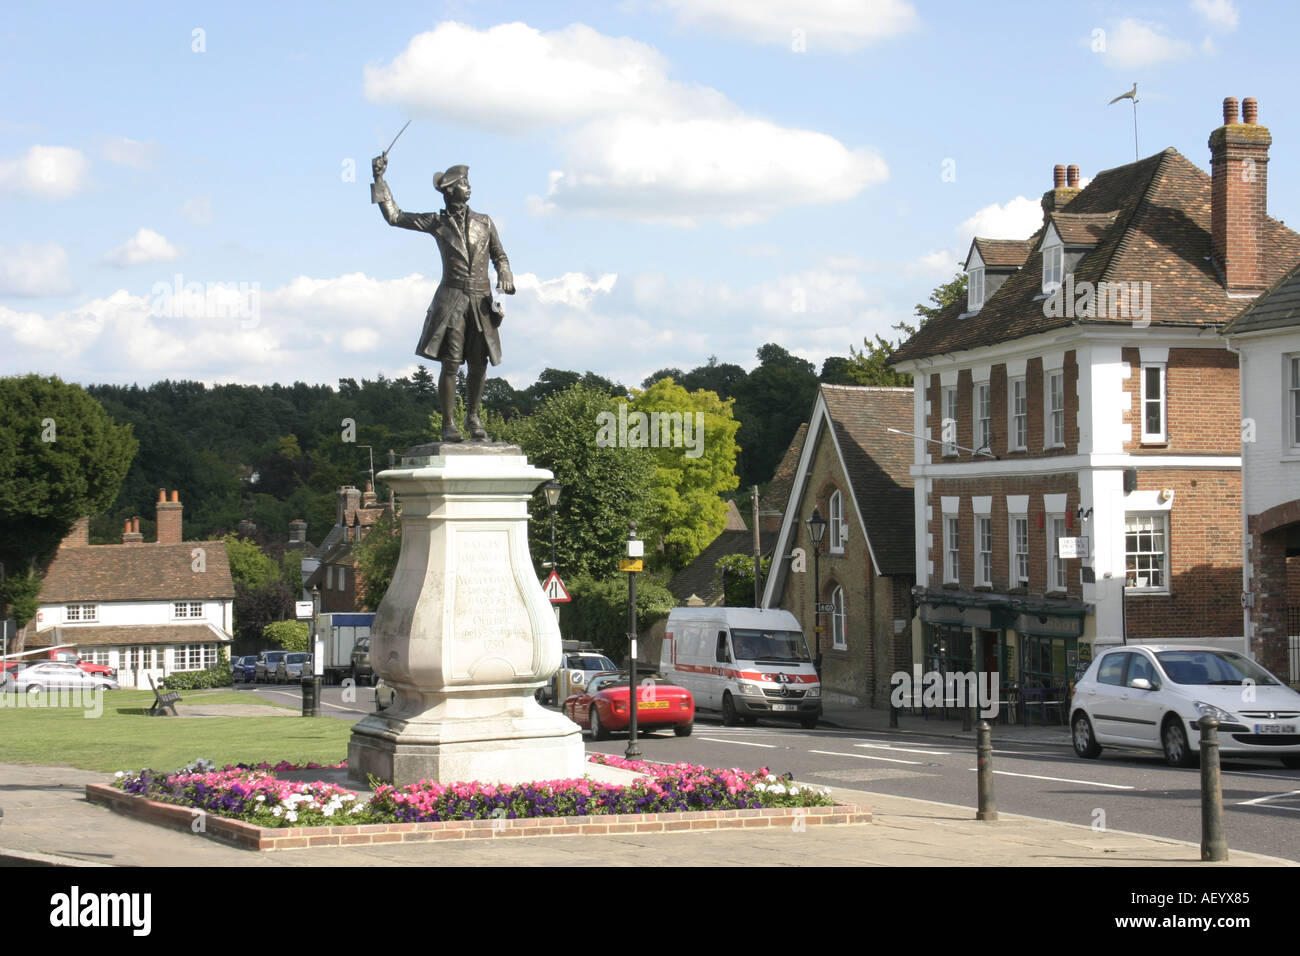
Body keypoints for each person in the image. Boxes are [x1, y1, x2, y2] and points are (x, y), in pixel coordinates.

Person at [371, 154, 515, 442]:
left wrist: (506, 272)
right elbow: (395, 217)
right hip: (452, 300)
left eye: (468, 182)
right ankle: (448, 424)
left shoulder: (484, 222)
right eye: (463, 183)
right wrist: (379, 180)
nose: (468, 187)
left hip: (481, 301)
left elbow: (500, 255)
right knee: (450, 363)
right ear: (450, 190)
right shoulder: (437, 222)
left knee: (478, 363)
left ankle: (473, 416)